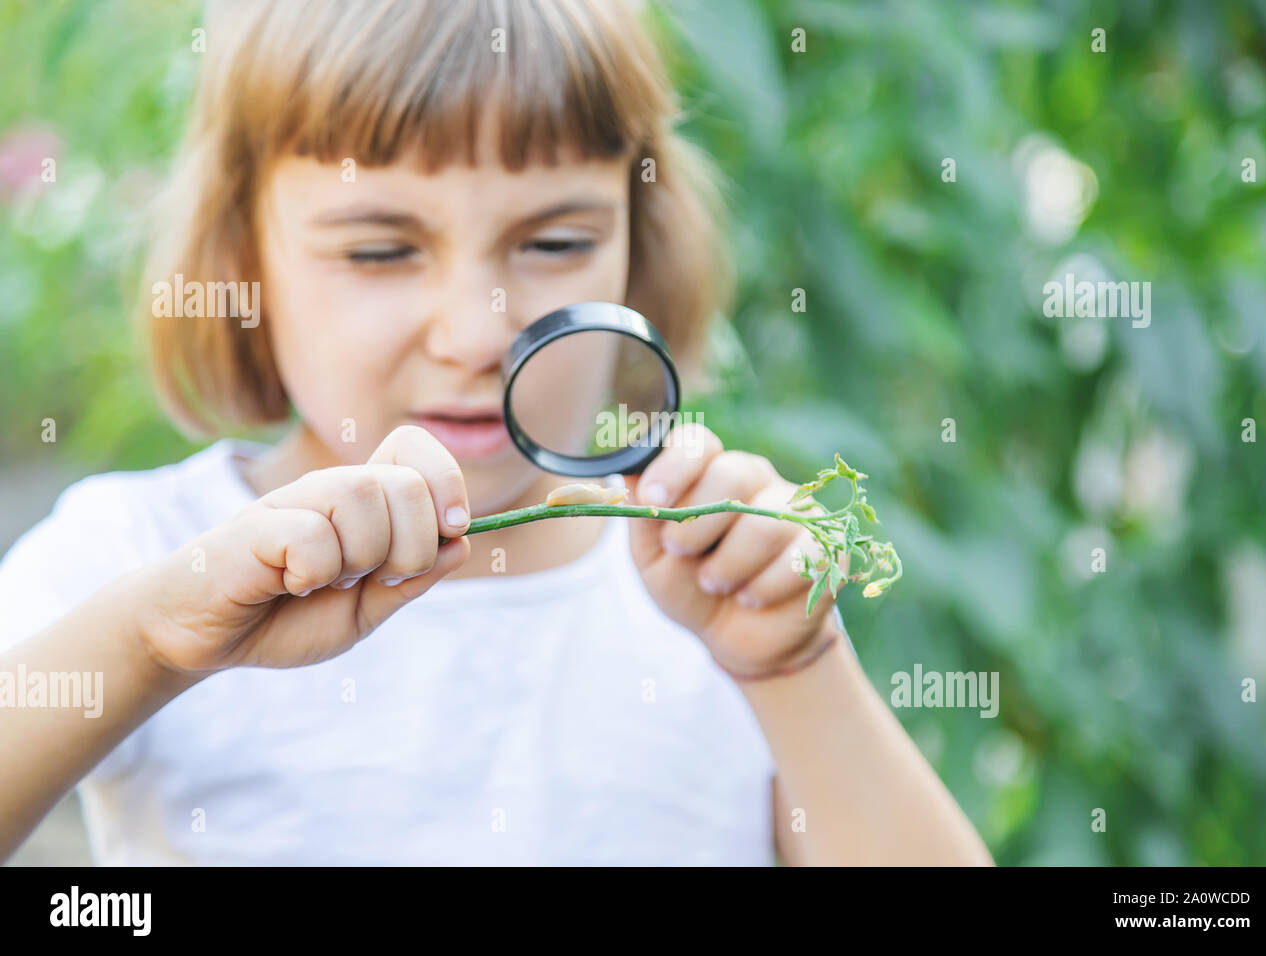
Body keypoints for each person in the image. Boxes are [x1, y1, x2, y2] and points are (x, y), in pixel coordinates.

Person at [0, 0, 991, 866]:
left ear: (639, 247)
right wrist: (152, 644)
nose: (479, 333)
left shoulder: (715, 587)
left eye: (556, 242)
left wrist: (792, 666)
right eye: (381, 249)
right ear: (241, 257)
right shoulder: (129, 560)